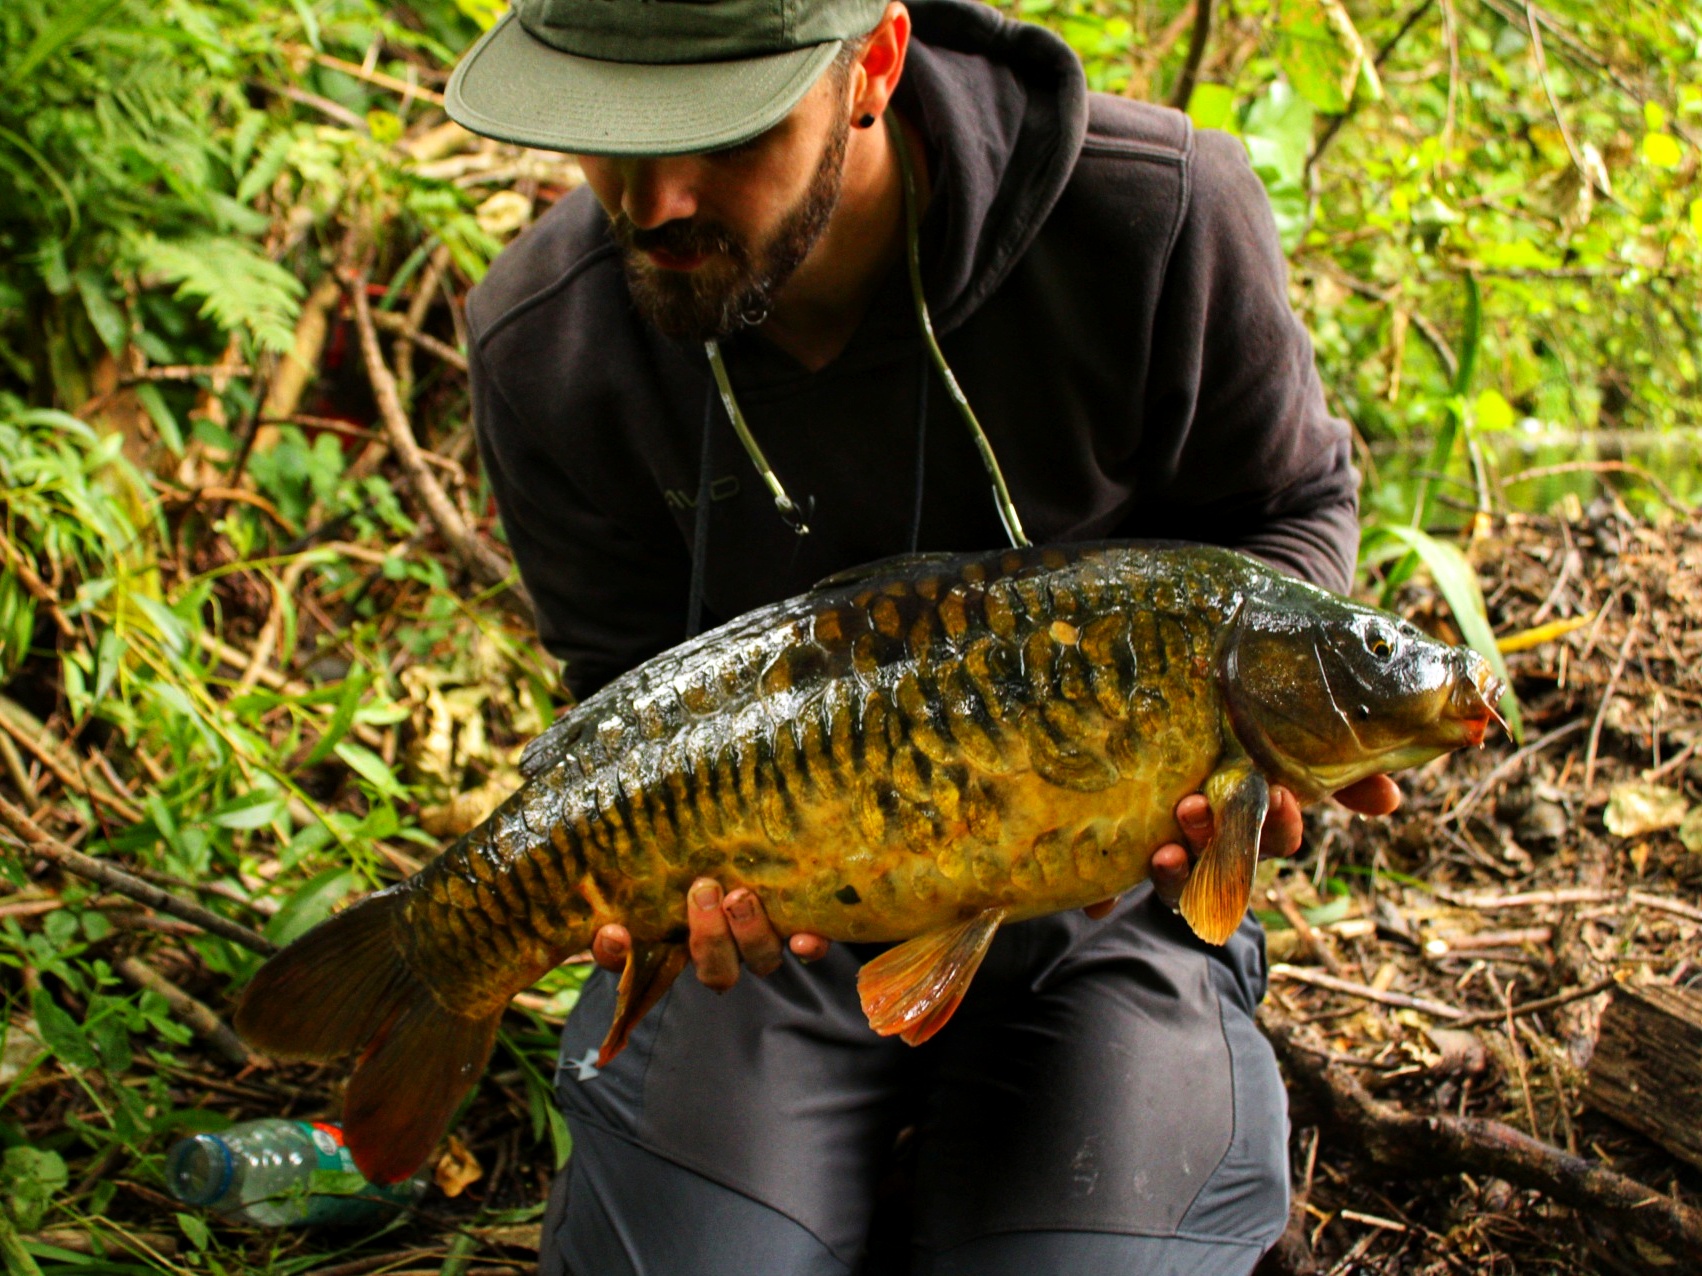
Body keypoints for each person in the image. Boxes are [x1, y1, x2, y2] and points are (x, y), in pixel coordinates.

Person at [447, 0, 1397, 1271]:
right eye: (610, 138)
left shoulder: (1157, 212)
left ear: (871, 68)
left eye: (722, 134)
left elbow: (1288, 505)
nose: (655, 199)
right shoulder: (545, 338)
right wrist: (677, 914)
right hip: (778, 928)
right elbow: (624, 692)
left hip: (1105, 907)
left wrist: (1261, 719)